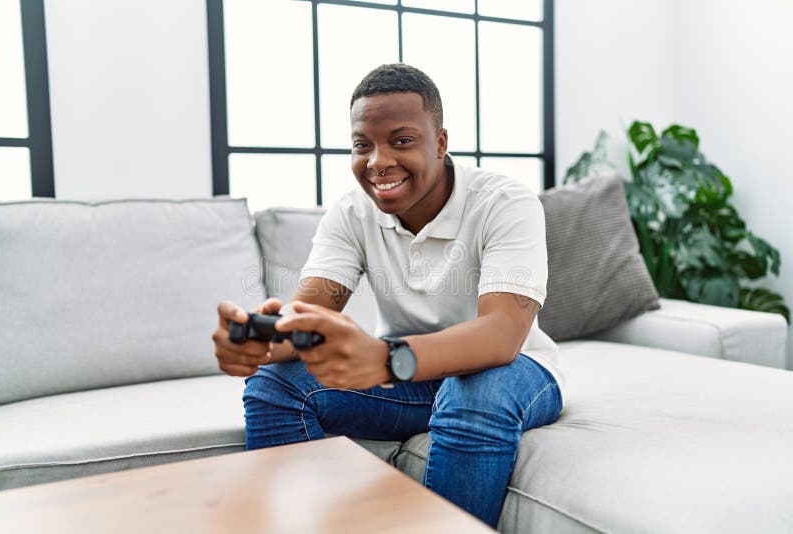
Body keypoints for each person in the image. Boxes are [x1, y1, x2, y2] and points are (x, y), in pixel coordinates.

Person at [212, 63, 564, 528]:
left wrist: (384, 358)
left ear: (440, 142)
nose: (377, 161)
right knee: (275, 384)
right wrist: (257, 344)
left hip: (511, 371)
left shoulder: (506, 204)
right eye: (362, 145)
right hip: (410, 379)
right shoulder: (352, 213)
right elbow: (307, 317)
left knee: (471, 393)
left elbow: (501, 336)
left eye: (401, 141)